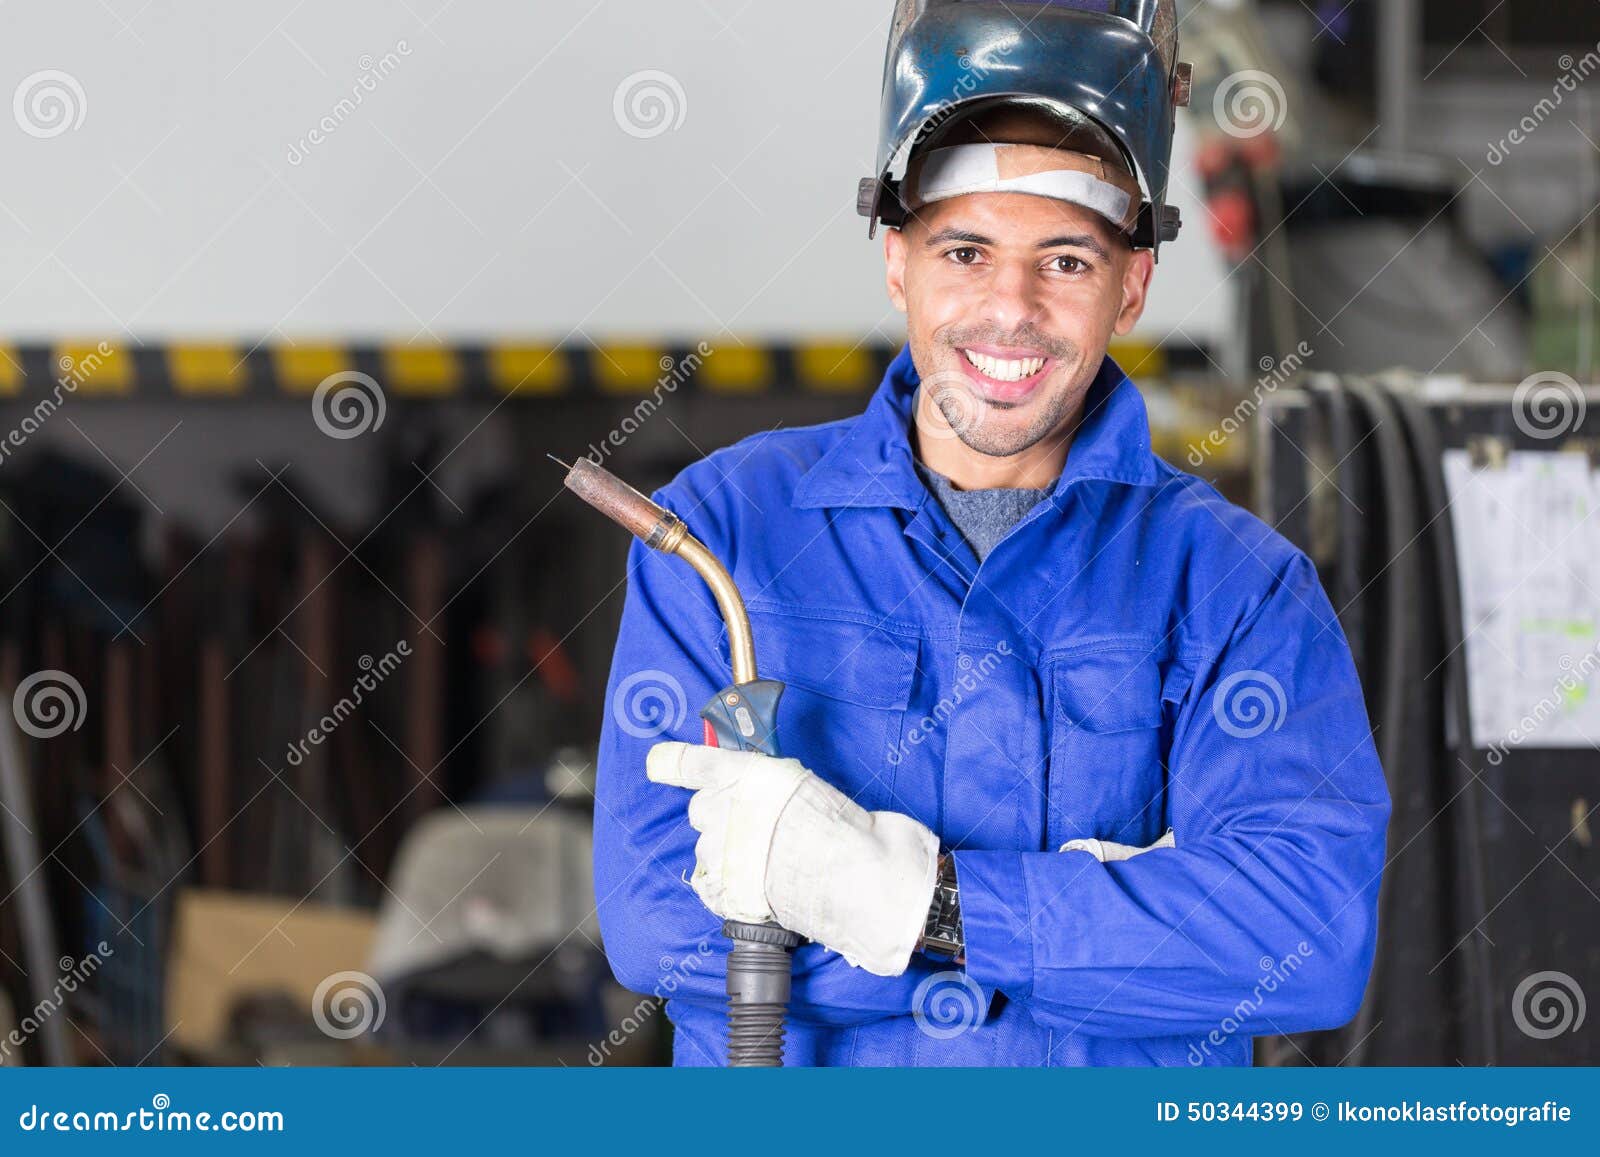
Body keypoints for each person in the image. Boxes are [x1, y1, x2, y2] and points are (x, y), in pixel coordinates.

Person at [594, 0, 1389, 1066]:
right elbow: (661, 925)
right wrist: (1112, 923)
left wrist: (919, 903)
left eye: (1064, 260)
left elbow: (1304, 936)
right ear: (897, 262)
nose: (1008, 307)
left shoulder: (1236, 587)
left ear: (1132, 286)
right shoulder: (724, 533)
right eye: (964, 250)